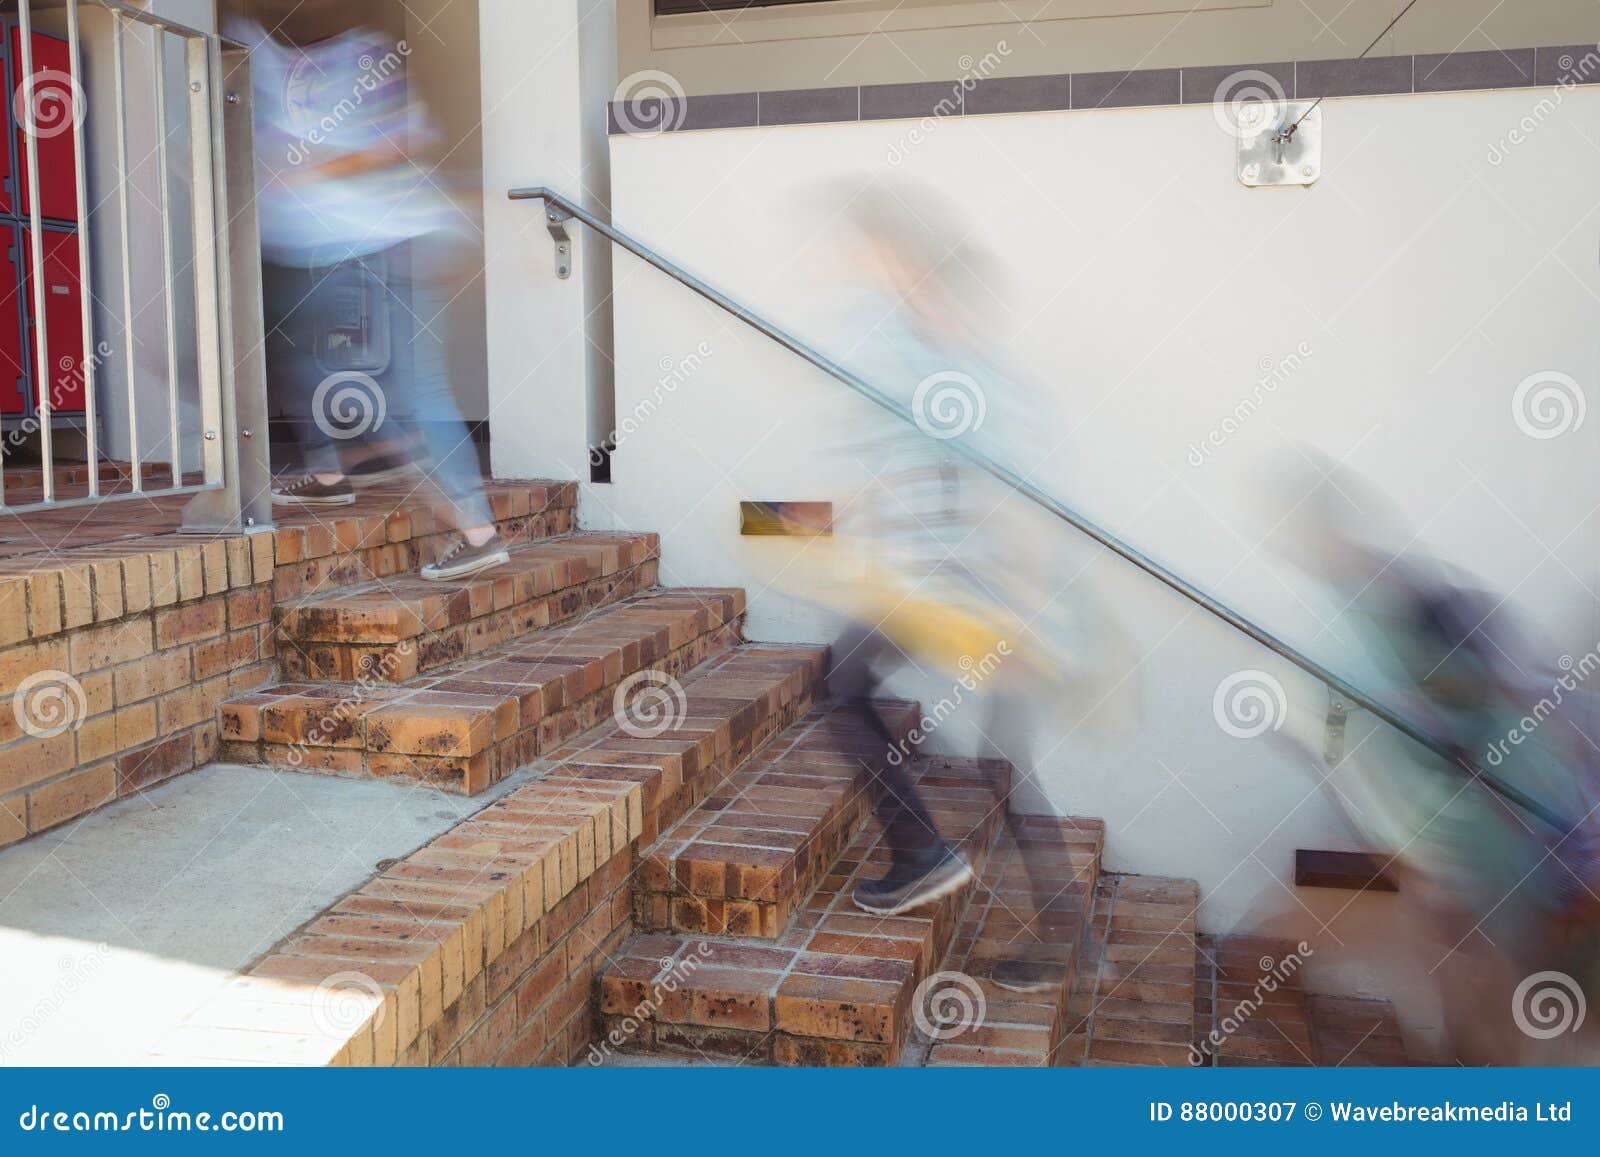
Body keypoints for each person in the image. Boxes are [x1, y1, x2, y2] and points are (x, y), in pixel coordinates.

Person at [237, 8, 508, 581]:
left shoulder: (361, 54)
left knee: (409, 390)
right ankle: (339, 468)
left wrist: (317, 167)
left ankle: (464, 521)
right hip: (332, 251)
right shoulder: (270, 56)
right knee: (296, 354)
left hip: (383, 245)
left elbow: (406, 138)